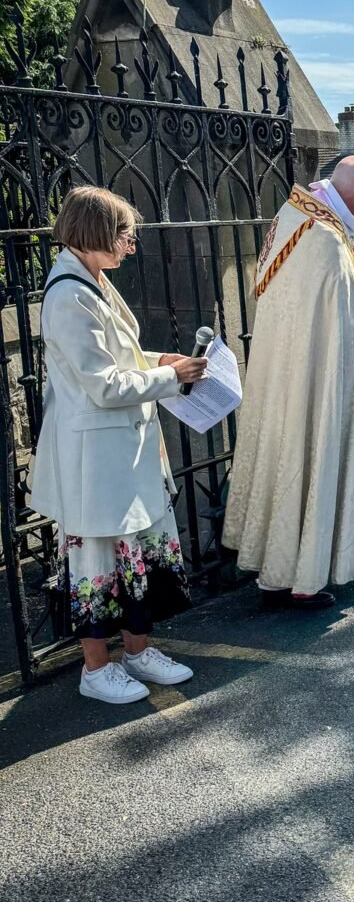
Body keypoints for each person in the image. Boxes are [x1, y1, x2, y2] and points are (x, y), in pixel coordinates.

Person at [223, 156, 354, 611]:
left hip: (287, 374)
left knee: (303, 460)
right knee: (323, 458)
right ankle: (305, 578)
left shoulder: (294, 215)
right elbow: (345, 326)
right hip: (324, 380)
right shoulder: (327, 241)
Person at [30, 187, 209, 705]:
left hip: (121, 452)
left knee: (136, 554)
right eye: (126, 233)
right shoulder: (68, 293)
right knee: (99, 561)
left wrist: (156, 361)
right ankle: (95, 668)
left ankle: (136, 651)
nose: (131, 244)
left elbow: (119, 355)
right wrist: (172, 379)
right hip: (96, 460)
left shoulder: (94, 280)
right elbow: (101, 384)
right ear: (96, 231)